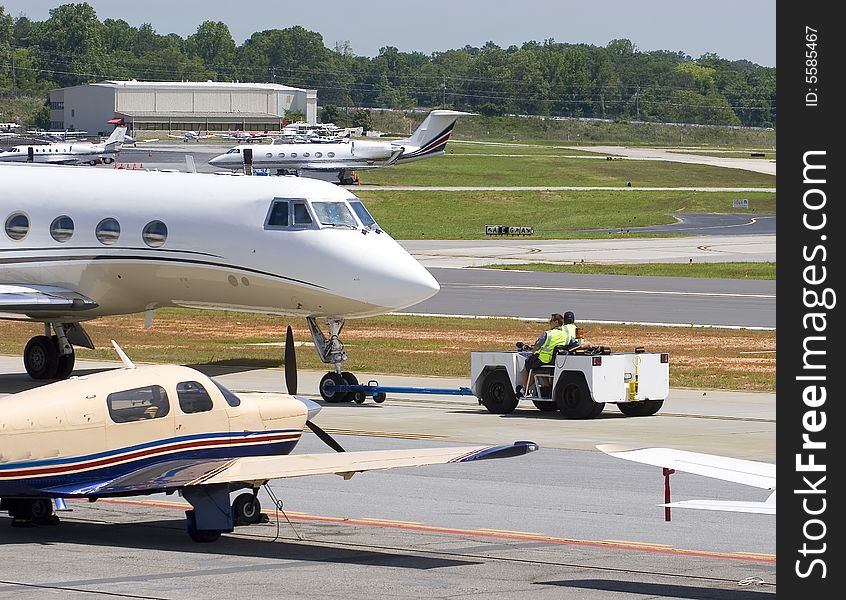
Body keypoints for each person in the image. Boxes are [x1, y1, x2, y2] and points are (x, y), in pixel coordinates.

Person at [518, 312, 577, 396]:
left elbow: (537, 346)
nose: (550, 322)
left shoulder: (548, 334)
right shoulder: (567, 336)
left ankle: (524, 389)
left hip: (543, 359)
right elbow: (575, 344)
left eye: (551, 321)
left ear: (556, 322)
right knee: (537, 369)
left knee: (526, 367)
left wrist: (532, 353)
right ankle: (546, 387)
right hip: (555, 362)